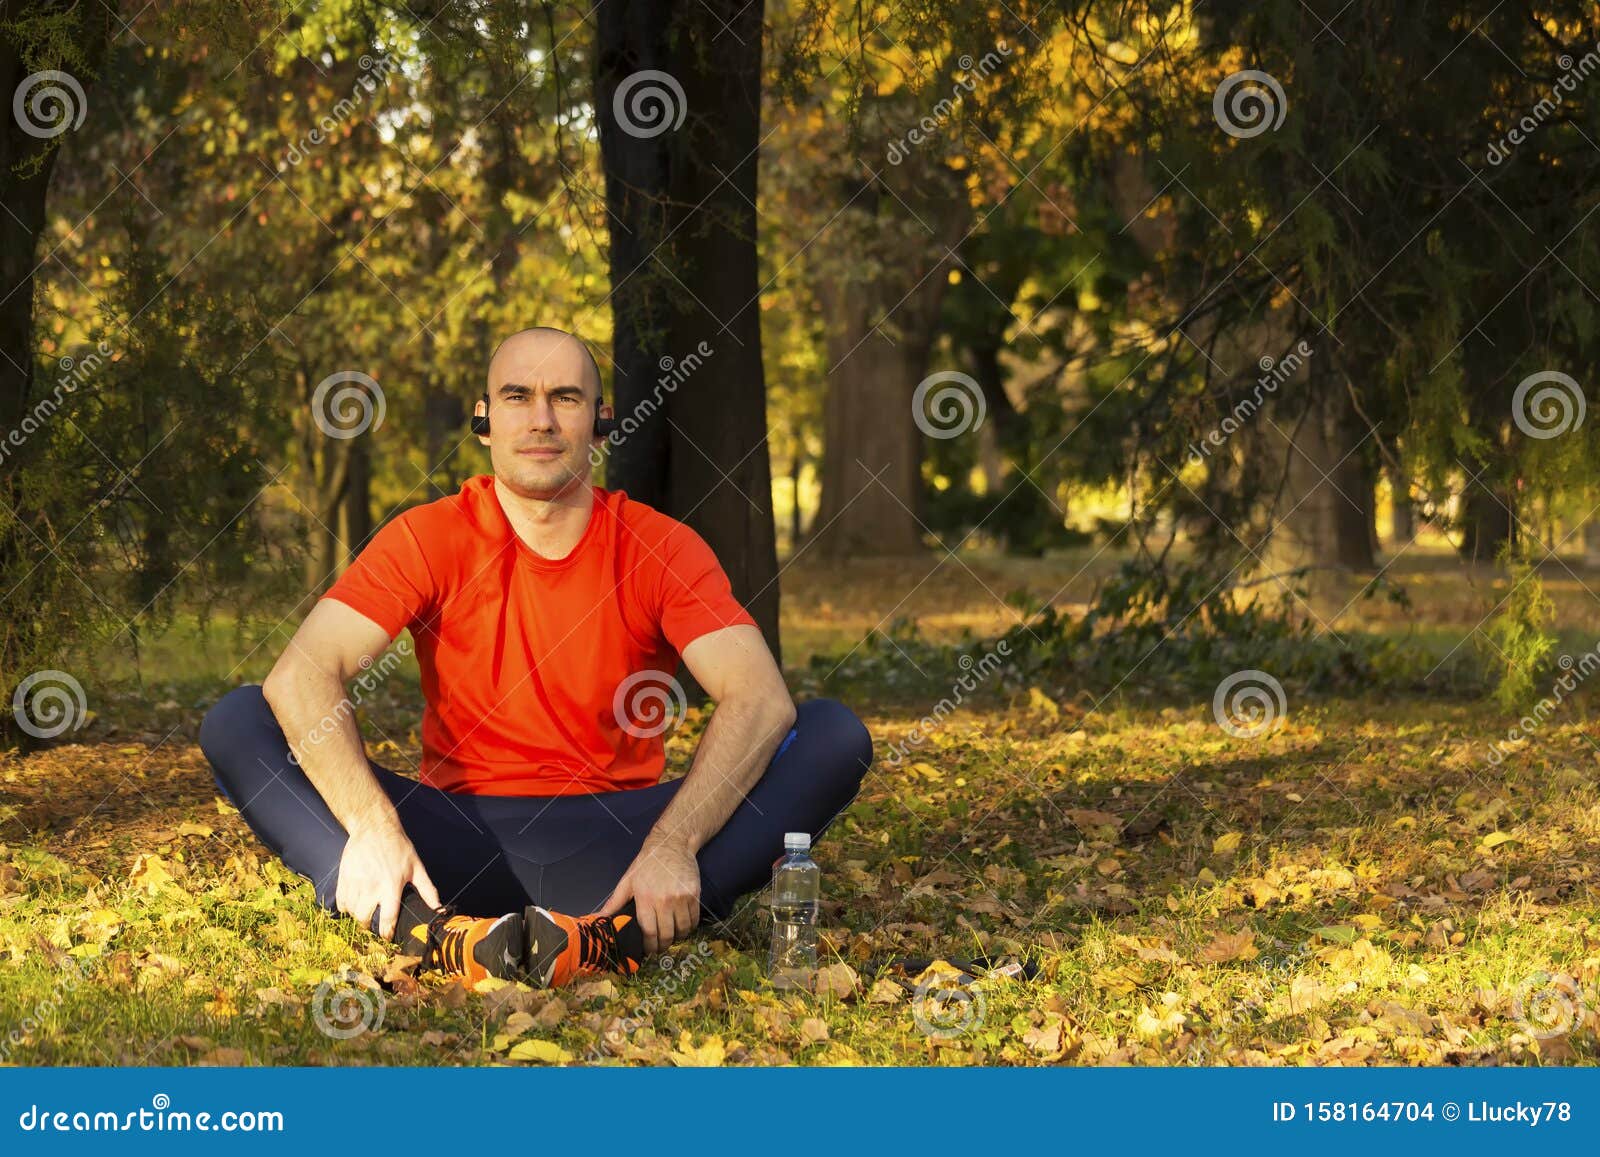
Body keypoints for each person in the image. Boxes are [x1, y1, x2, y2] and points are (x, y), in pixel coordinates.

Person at [199, 327, 873, 989]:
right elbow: (303, 673)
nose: (542, 418)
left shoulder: (659, 545)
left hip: (620, 844)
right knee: (238, 721)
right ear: (485, 421)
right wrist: (374, 826)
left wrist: (672, 845)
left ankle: (612, 938)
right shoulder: (429, 535)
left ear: (602, 423)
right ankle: (432, 936)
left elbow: (760, 698)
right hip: (453, 842)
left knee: (833, 736)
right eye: (518, 396)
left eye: (567, 398)